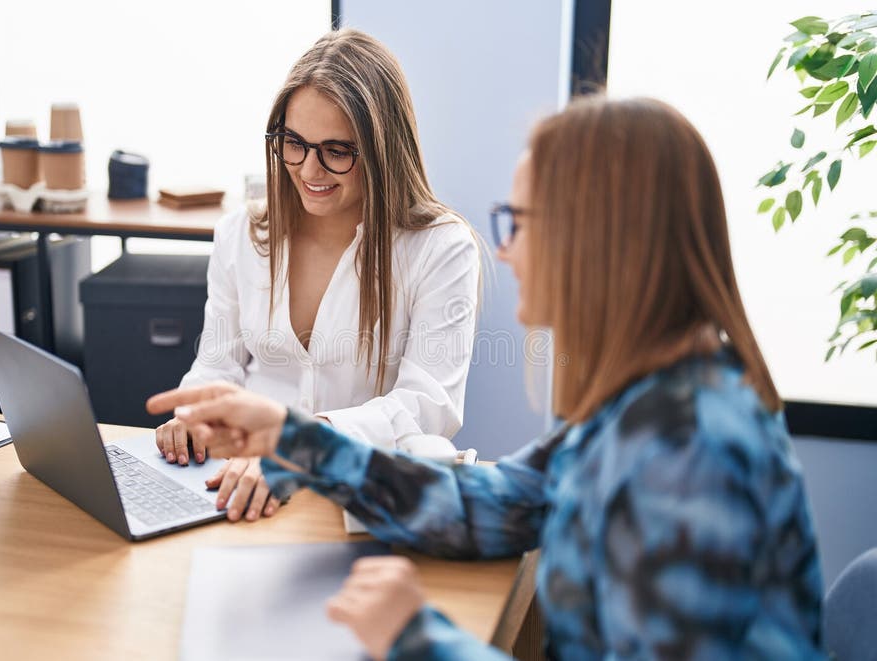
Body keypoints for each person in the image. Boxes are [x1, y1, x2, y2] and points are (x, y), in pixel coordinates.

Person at [147, 96, 825, 659]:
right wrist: (296, 439)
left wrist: (419, 637)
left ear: (597, 241)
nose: (504, 249)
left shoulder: (689, 455)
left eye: (520, 223)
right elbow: (492, 502)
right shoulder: (643, 402)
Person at [155, 28, 481, 522]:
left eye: (337, 150)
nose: (309, 169)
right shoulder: (240, 235)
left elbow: (427, 404)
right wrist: (191, 414)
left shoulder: (440, 247)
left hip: (353, 498)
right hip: (241, 486)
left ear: (382, 149)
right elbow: (216, 365)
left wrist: (298, 442)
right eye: (294, 143)